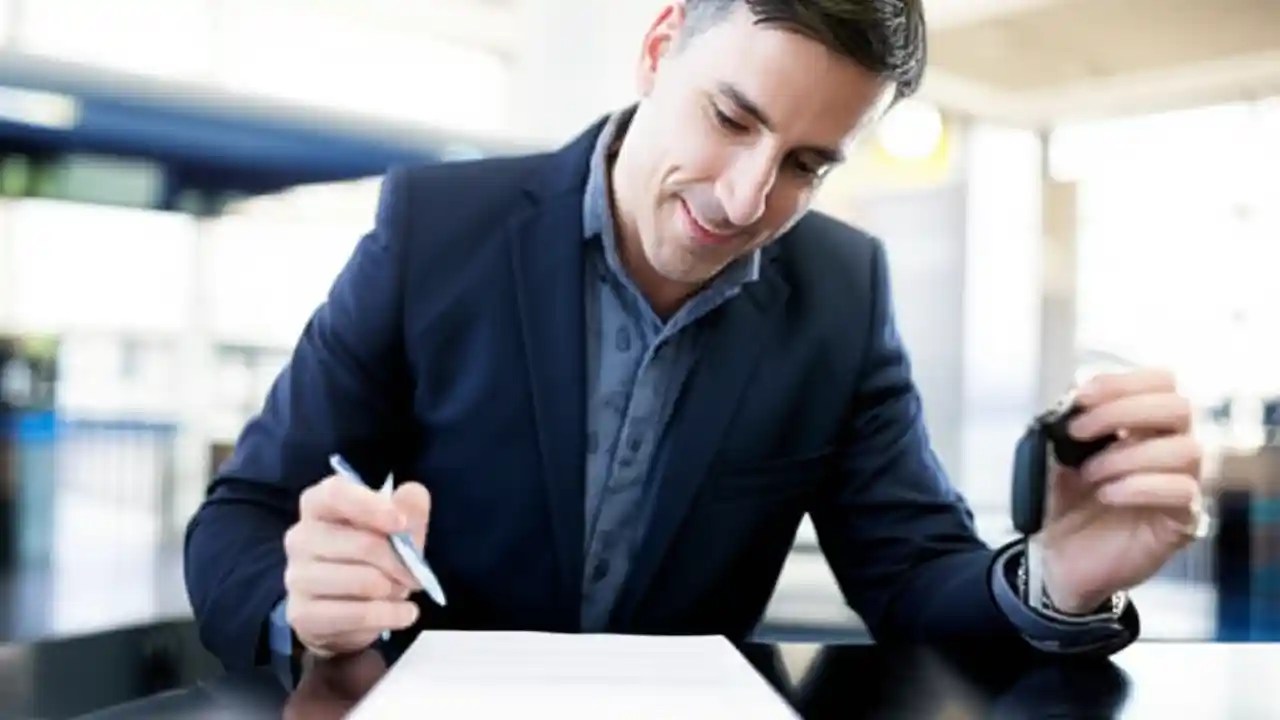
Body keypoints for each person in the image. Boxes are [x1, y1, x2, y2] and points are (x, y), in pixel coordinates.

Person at [185, 0, 1205, 673]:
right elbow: (241, 520)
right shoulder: (432, 230)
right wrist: (298, 602)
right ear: (657, 46)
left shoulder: (841, 292)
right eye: (729, 116)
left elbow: (910, 575)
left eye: (808, 164)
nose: (746, 196)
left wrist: (1055, 576)